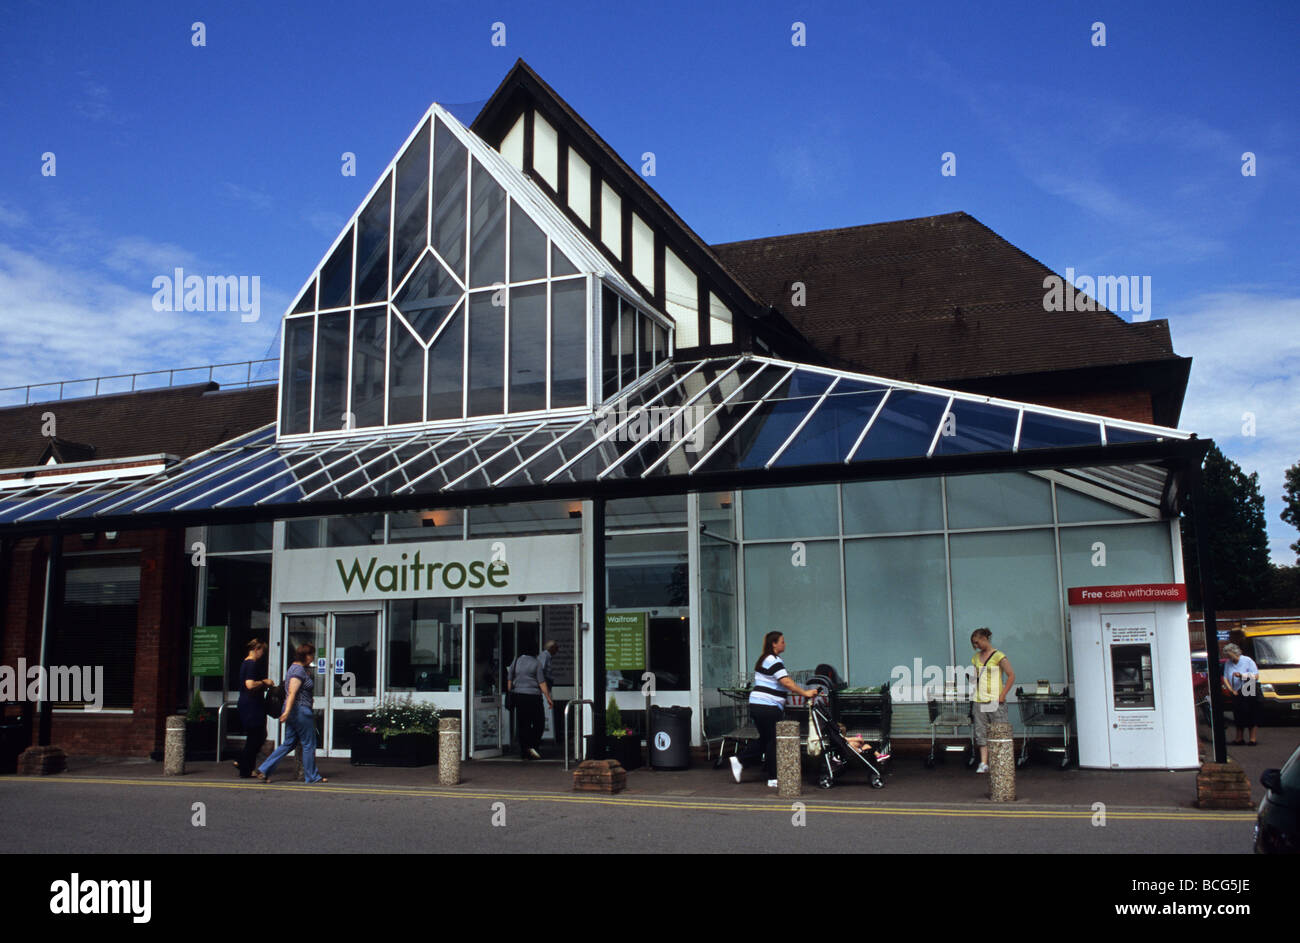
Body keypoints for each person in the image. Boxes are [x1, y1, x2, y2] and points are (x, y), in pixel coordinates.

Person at [730, 631, 819, 787]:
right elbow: (787, 683)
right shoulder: (773, 660)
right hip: (767, 706)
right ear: (774, 644)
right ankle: (772, 778)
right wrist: (805, 692)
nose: (785, 644)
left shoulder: (766, 659)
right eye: (782, 641)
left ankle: (740, 760)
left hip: (759, 705)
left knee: (766, 739)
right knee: (772, 740)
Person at [256, 643, 327, 784]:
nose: (312, 658)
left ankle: (264, 769)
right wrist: (287, 711)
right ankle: (312, 777)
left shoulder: (295, 668)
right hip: (300, 711)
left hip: (295, 711)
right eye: (311, 655)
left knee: (289, 743)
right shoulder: (297, 671)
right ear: (305, 655)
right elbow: (292, 693)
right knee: (308, 744)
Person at [970, 627, 1014, 774]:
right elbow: (975, 677)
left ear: (985, 639)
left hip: (995, 699)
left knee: (999, 730)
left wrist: (1003, 694)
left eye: (977, 643)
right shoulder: (976, 658)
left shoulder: (999, 656)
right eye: (974, 644)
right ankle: (984, 762)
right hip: (979, 699)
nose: (976, 646)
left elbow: (1011, 675)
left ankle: (1000, 762)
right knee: (981, 731)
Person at [235, 638, 273, 778]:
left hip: (248, 704)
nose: (262, 654)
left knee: (255, 736)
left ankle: (245, 766)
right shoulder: (251, 664)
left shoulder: (245, 663)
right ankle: (243, 765)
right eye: (262, 650)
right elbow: (250, 684)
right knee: (257, 736)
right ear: (256, 649)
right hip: (252, 706)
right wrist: (265, 682)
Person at [507, 640, 551, 760]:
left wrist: (510, 692)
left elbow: (509, 679)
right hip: (533, 697)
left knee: (523, 724)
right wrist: (548, 698)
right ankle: (533, 746)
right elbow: (542, 682)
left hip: (519, 696)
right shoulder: (536, 663)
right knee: (538, 722)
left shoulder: (515, 661)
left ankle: (524, 751)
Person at [1222, 643, 1260, 746]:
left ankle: (1252, 739)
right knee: (1238, 714)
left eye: (1230, 655)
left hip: (1249, 687)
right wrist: (1231, 690)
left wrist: (1242, 675)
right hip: (1236, 690)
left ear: (1235, 652)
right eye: (1227, 656)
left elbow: (1256, 676)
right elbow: (1225, 677)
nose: (1229, 658)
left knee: (1250, 714)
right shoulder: (1228, 663)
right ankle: (1239, 738)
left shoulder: (1247, 660)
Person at [538, 639, 561, 753]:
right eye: (556, 648)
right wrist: (545, 686)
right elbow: (540, 671)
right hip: (544, 688)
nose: (557, 650)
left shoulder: (547, 656)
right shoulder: (545, 655)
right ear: (551, 648)